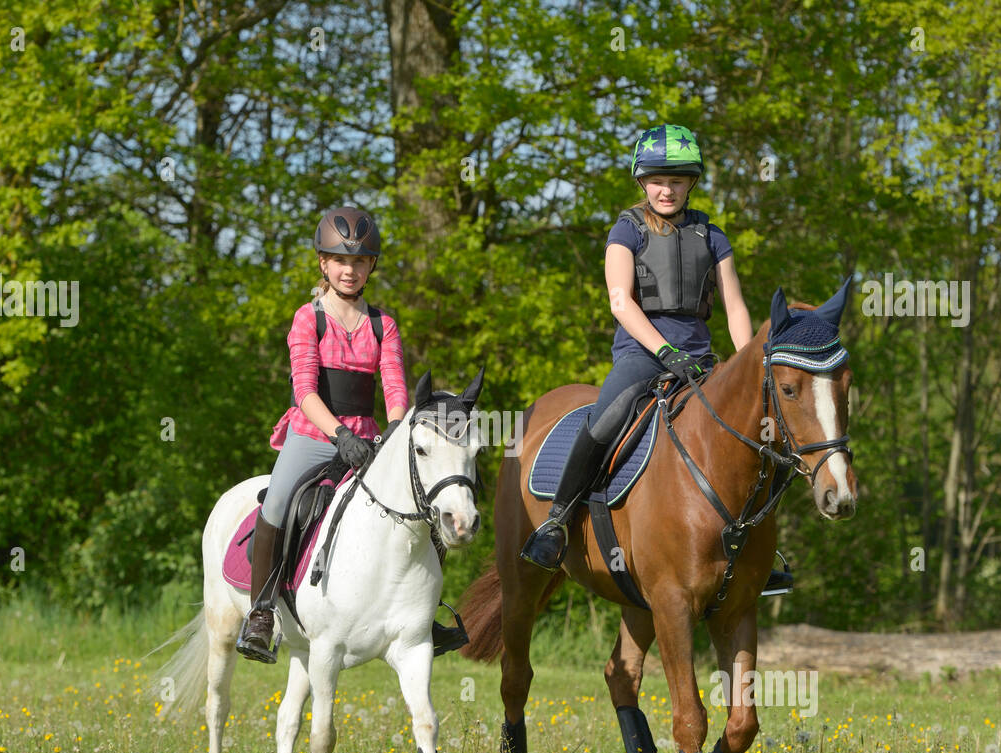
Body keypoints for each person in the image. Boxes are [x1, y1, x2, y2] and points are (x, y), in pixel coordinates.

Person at [520, 124, 793, 596]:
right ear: (642, 183)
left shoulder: (712, 233)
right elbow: (620, 301)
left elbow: (735, 305)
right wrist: (664, 351)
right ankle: (557, 522)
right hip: (641, 354)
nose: (667, 189)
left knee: (765, 430)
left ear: (692, 183)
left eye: (678, 180)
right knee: (607, 419)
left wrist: (752, 364)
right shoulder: (627, 228)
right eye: (658, 181)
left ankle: (755, 548)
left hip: (702, 360)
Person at [237, 206, 470, 663]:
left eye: (360, 262)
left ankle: (425, 611)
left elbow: (395, 387)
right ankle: (261, 612)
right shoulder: (309, 318)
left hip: (370, 438)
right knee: (281, 500)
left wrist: (398, 431)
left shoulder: (383, 324)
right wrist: (339, 434)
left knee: (422, 502)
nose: (350, 270)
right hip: (313, 432)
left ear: (371, 268)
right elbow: (304, 390)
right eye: (341, 261)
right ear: (323, 263)